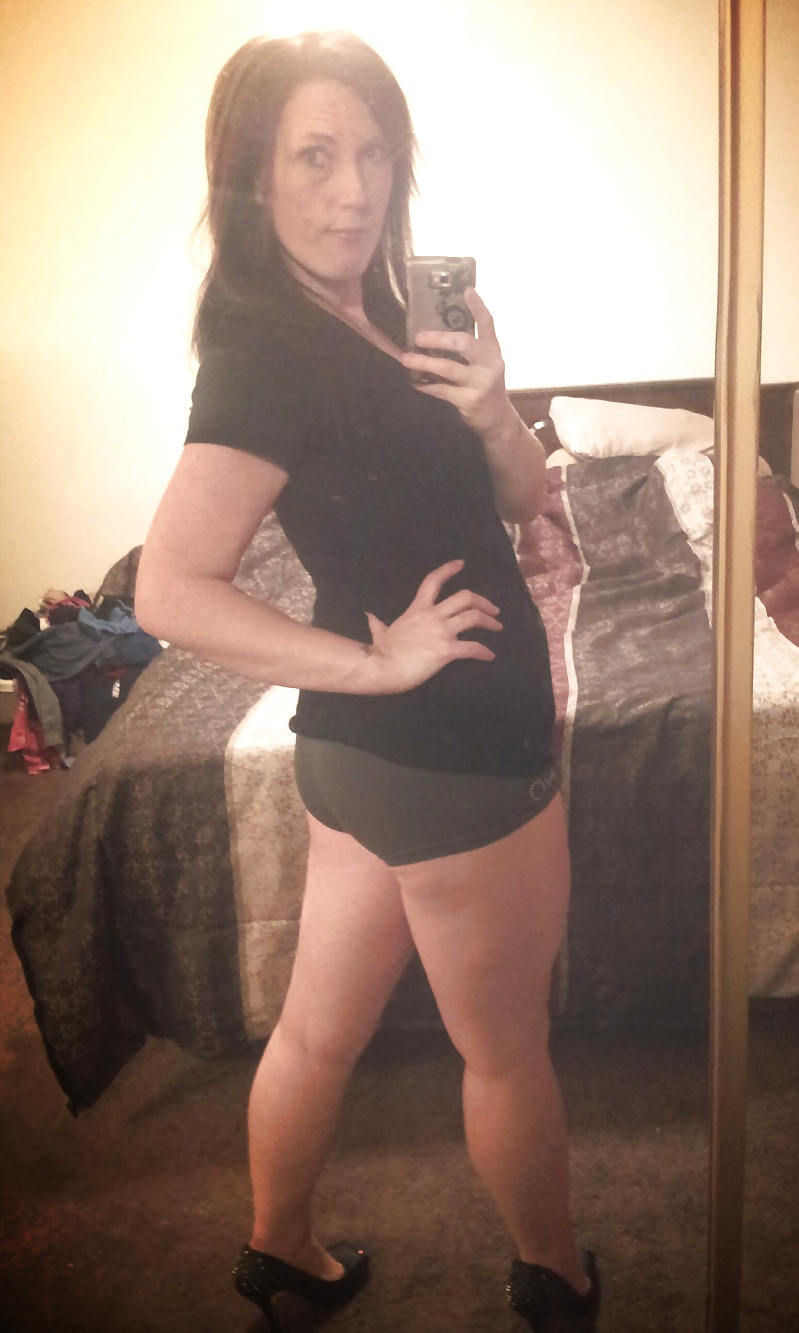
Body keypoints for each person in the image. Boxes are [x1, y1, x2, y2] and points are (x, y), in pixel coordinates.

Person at [135, 30, 599, 1333]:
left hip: (360, 764)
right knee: (505, 1052)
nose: (354, 191)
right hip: (451, 758)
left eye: (376, 155)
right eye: (314, 157)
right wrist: (377, 662)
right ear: (252, 175)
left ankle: (282, 1251)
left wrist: (495, 408)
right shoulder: (266, 350)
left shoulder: (394, 317)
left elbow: (524, 501)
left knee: (316, 1032)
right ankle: (558, 1278)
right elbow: (169, 589)